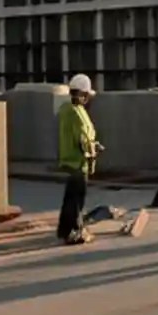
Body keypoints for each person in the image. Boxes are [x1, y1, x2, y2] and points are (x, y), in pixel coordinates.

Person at [57, 73, 101, 245]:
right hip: (78, 161)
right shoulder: (77, 113)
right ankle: (74, 231)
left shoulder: (66, 110)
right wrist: (93, 150)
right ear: (82, 94)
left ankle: (64, 230)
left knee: (70, 198)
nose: (88, 99)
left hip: (69, 159)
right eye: (87, 95)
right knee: (76, 200)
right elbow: (83, 138)